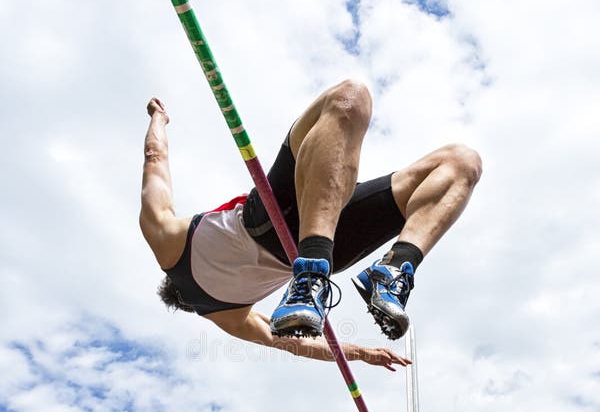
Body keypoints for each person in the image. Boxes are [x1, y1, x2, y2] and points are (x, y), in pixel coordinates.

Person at [139, 80, 481, 370]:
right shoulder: (166, 240)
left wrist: (361, 354)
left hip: (330, 244)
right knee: (357, 102)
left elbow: (296, 343)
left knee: (459, 162)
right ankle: (331, 263)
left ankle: (392, 268)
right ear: (168, 279)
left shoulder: (226, 317)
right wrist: (159, 118)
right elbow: (156, 158)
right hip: (277, 222)